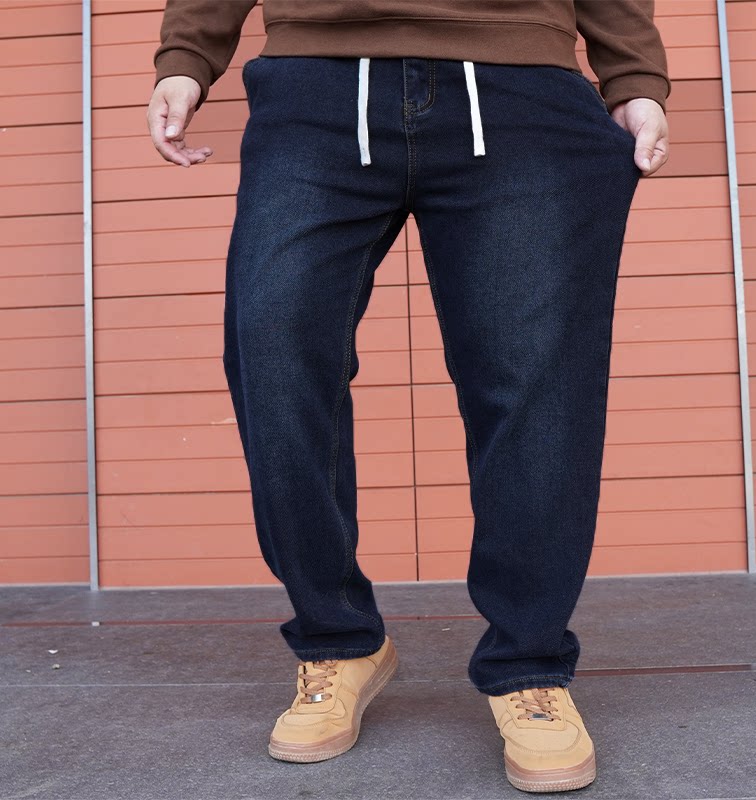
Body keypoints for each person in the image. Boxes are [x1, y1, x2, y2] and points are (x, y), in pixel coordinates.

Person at [147, 0, 670, 792]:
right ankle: (337, 642)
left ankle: (529, 663)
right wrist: (188, 56)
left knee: (537, 381)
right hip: (316, 86)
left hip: (520, 87)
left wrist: (633, 76)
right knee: (274, 353)